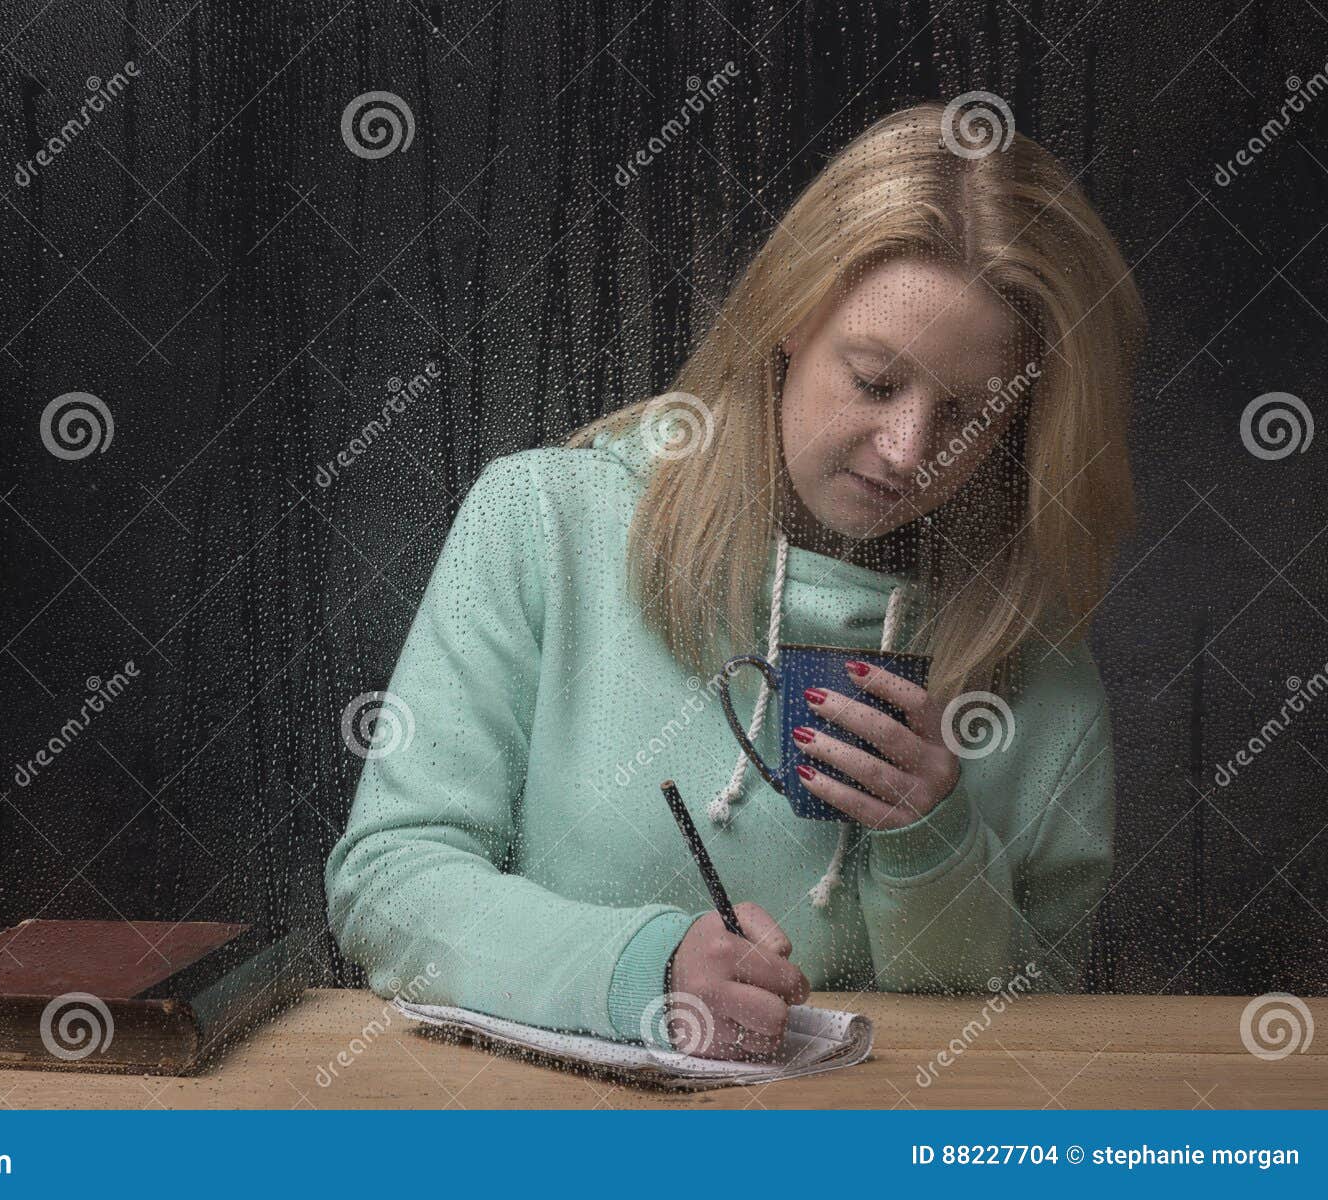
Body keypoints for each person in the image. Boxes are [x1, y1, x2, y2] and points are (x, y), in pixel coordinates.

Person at [325, 100, 1146, 1061]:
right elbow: (391, 881)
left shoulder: (1035, 658)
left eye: (967, 415)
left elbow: (1042, 1022)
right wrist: (639, 971)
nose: (907, 451)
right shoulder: (545, 523)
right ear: (790, 315)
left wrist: (933, 842)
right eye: (877, 382)